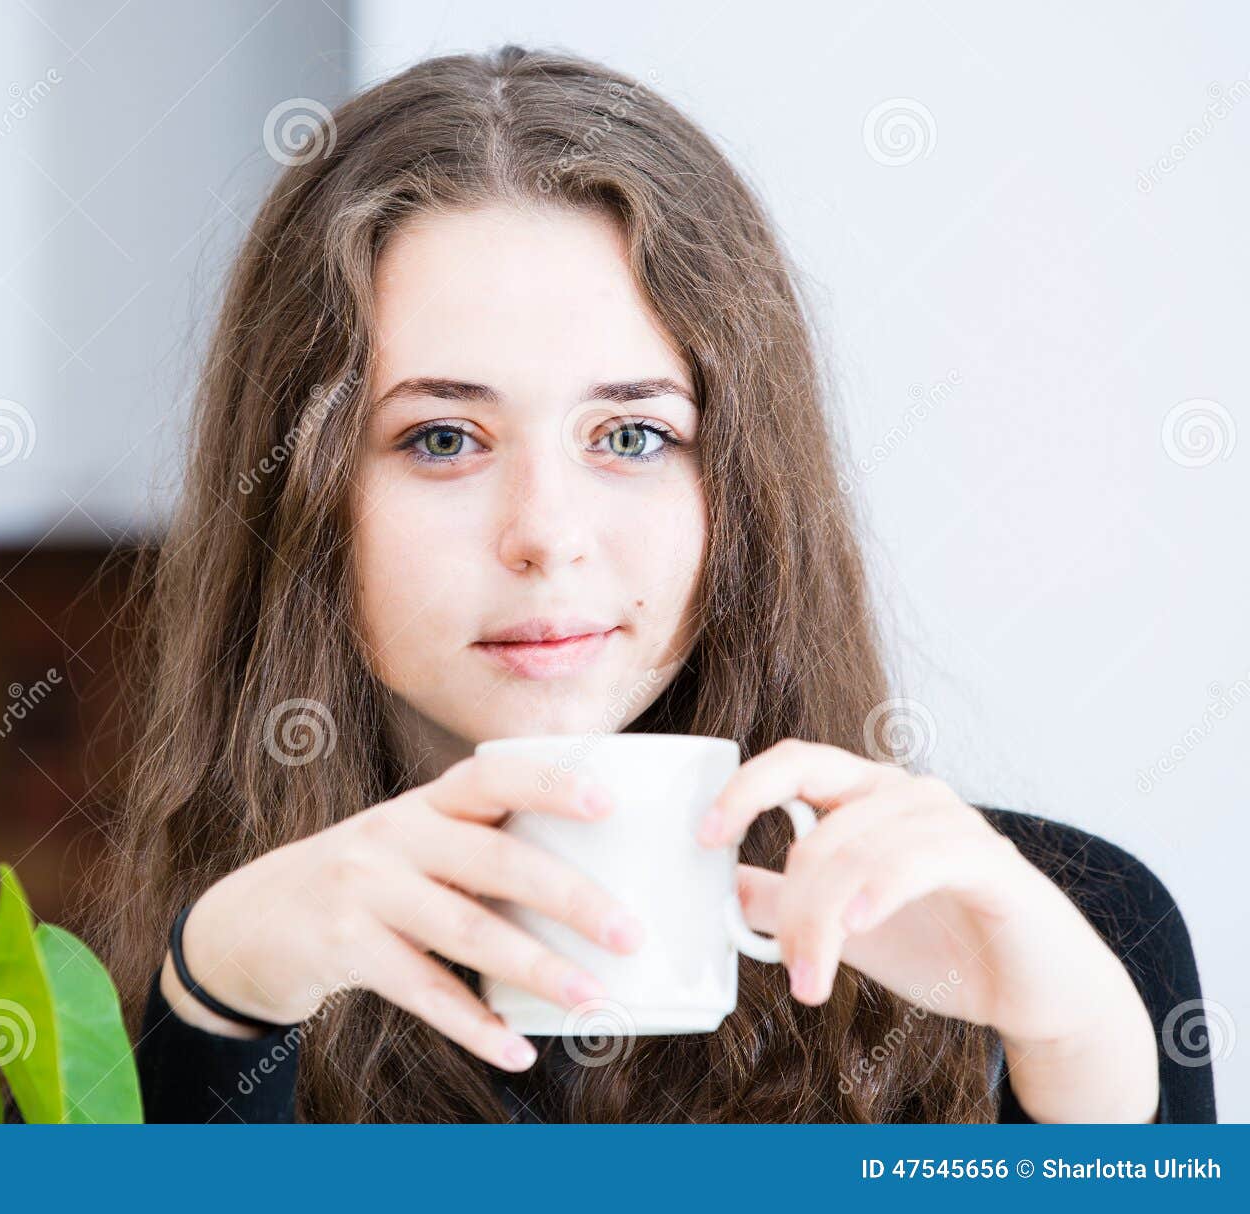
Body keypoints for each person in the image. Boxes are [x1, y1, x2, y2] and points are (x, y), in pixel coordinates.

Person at [84, 45, 1217, 1124]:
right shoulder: (114, 1013)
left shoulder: (1049, 932)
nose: (547, 535)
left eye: (631, 435)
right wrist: (215, 1016)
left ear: (743, 489)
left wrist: (1079, 1062)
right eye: (441, 438)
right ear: (300, 494)